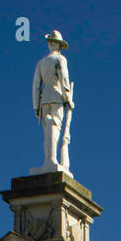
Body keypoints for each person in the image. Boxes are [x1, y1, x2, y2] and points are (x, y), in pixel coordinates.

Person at [32, 31, 73, 173]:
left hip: (44, 101)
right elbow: (64, 79)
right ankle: (51, 160)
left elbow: (36, 87)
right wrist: (68, 98)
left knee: (48, 131)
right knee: (54, 128)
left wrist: (36, 105)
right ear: (59, 45)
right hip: (56, 98)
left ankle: (49, 160)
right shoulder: (61, 60)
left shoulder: (41, 63)